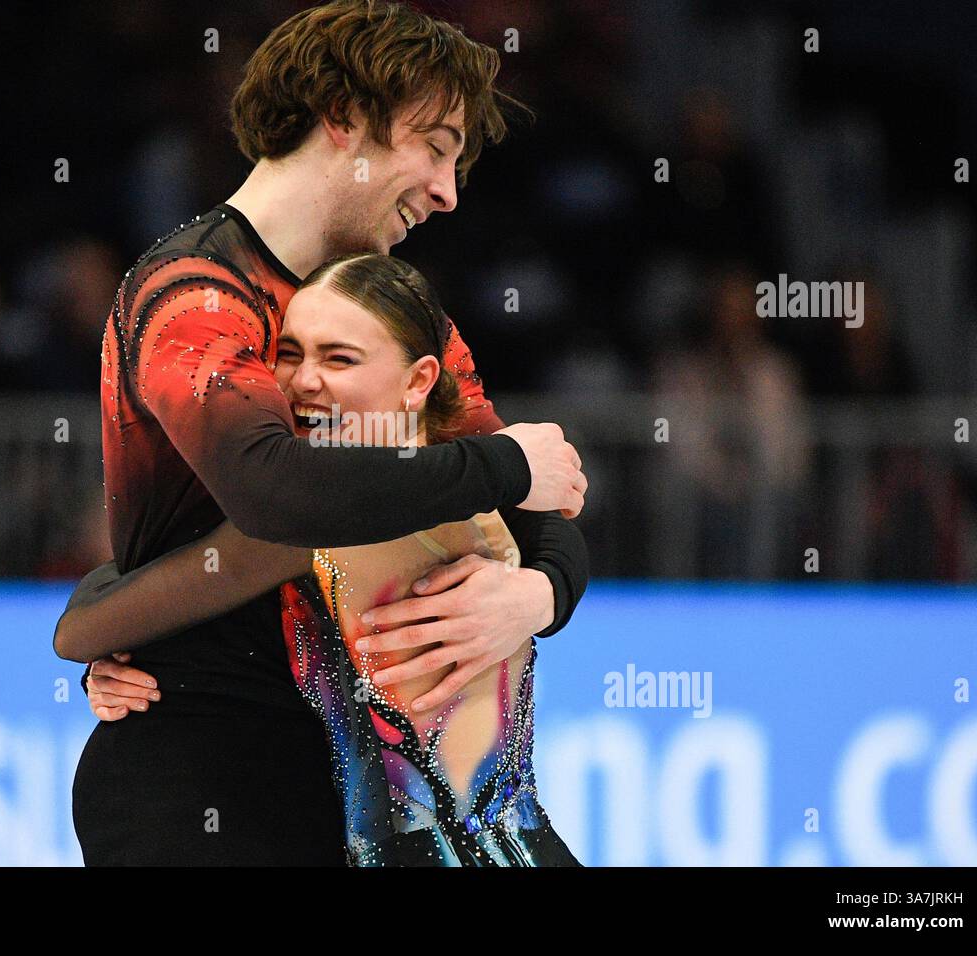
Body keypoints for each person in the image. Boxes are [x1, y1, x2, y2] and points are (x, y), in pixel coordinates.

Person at [59, 0, 589, 866]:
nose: (450, 193)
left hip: (388, 784)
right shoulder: (194, 292)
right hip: (209, 783)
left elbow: (547, 519)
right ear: (344, 119)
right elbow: (277, 498)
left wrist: (534, 600)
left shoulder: (400, 311)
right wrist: (500, 464)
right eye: (437, 147)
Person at [63, 253, 581, 865]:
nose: (305, 380)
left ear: (418, 381)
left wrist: (123, 637)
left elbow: (87, 626)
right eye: (289, 354)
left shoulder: (357, 520)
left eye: (339, 359)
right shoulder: (447, 500)